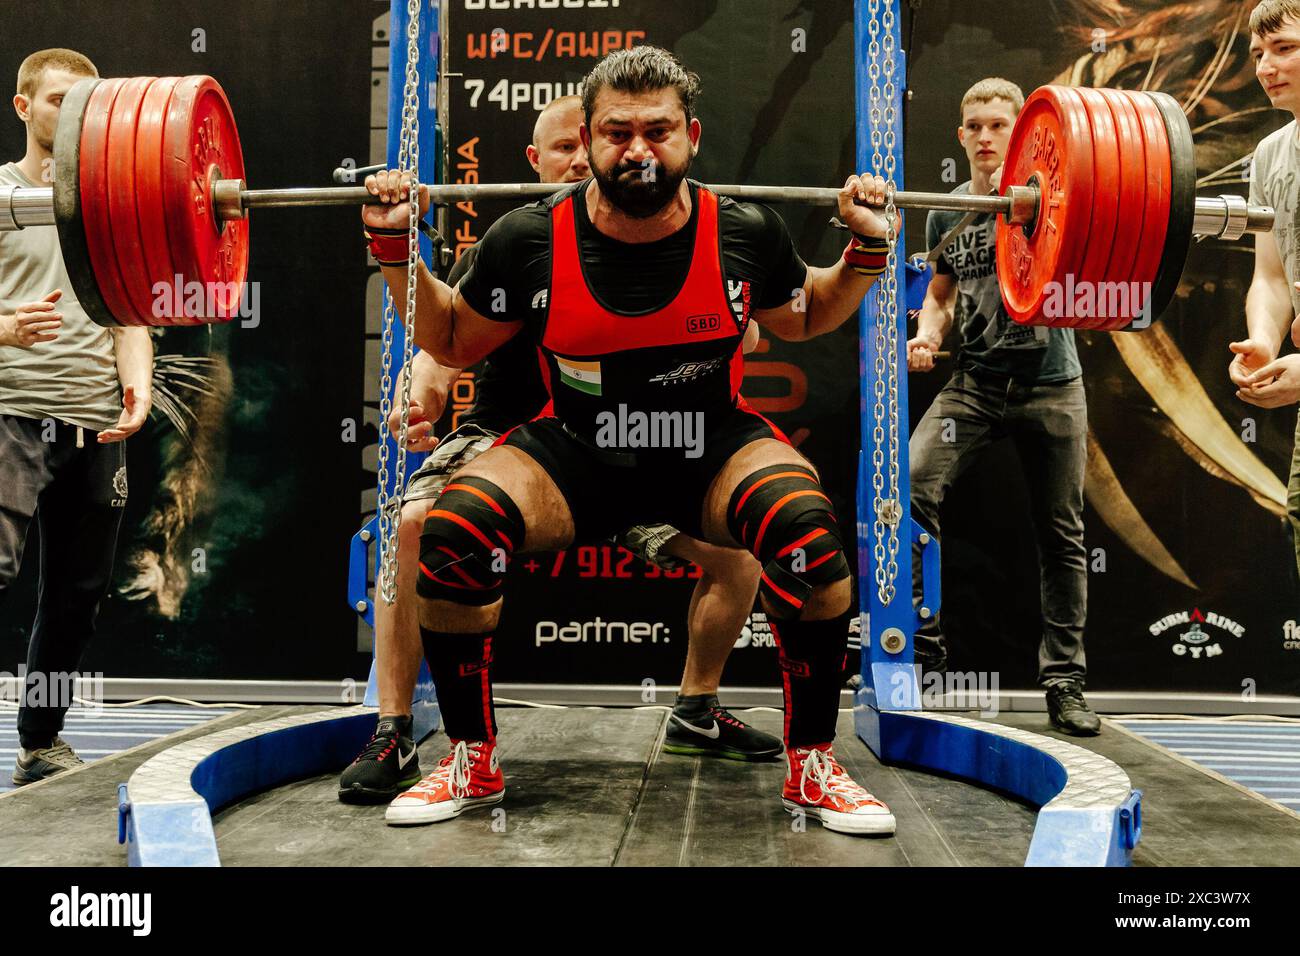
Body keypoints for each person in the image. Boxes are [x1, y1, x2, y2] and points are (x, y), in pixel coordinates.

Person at [362, 47, 896, 836]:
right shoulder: (528, 237)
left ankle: (813, 762)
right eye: (617, 132)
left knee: (807, 538)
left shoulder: (744, 230)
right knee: (454, 530)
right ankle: (471, 759)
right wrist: (394, 247)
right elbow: (449, 335)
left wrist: (867, 250)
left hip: (706, 447)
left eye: (658, 131)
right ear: (588, 135)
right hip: (581, 453)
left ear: (692, 137)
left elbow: (808, 314)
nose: (638, 150)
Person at [339, 95, 777, 807]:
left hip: (627, 441)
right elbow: (443, 345)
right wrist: (412, 394)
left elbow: (751, 332)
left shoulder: (671, 238)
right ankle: (393, 727)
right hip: (511, 440)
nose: (580, 161)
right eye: (563, 150)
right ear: (535, 161)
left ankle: (695, 711)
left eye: (588, 147)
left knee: (739, 553)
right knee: (415, 525)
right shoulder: (508, 245)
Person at [906, 78, 1099, 736]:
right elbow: (938, 294)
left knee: (1062, 535)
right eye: (974, 126)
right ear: (961, 136)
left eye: (998, 125)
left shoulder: (1062, 202)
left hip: (1052, 384)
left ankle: (1065, 683)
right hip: (977, 385)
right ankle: (921, 651)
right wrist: (929, 335)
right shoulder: (942, 210)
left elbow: (1097, 282)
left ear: (1022, 135)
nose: (985, 137)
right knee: (907, 487)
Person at [1, 49, 154, 784]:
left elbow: (130, 313)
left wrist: (139, 389)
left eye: (87, 102)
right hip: (11, 413)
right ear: (25, 107)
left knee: (77, 599)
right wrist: (3, 329)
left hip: (93, 424)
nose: (75, 115)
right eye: (60, 100)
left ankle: (39, 741)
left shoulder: (107, 205)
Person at [1235, 0, 1300, 584]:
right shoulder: (1270, 155)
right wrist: (1263, 340)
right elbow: (1272, 277)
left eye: (1285, 48)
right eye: (1259, 53)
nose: (1266, 66)